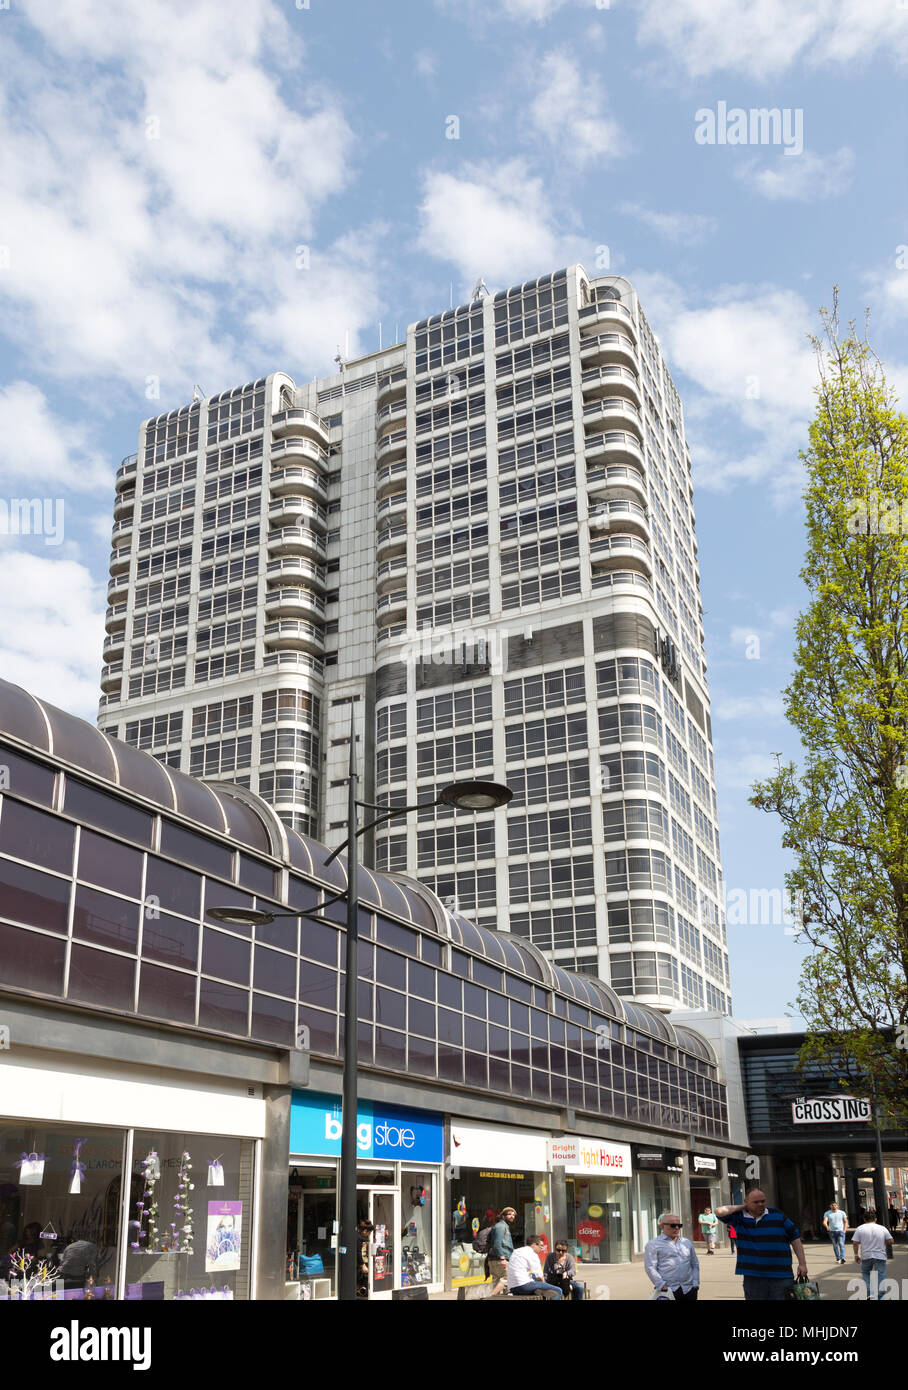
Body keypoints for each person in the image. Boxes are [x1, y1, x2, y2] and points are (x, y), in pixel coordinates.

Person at [716, 1190, 807, 1301]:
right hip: (753, 1277)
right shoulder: (739, 1217)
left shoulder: (777, 1215)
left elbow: (795, 1238)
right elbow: (719, 1211)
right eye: (756, 1202)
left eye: (763, 1201)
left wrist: (802, 1264)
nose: (761, 1204)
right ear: (746, 1202)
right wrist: (743, 1207)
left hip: (781, 1275)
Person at [644, 1213, 700, 1302]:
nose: (677, 1228)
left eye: (679, 1225)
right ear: (662, 1226)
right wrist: (662, 1285)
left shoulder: (686, 1242)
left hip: (689, 1289)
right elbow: (650, 1267)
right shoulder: (653, 1244)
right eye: (673, 1225)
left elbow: (694, 1263)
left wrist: (696, 1283)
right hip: (669, 1290)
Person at [852, 1210, 893, 1301]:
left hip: (866, 1256)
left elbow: (855, 1243)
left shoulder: (860, 1228)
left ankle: (870, 1294)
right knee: (880, 1275)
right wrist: (883, 1241)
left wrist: (856, 1255)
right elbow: (891, 1241)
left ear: (864, 1219)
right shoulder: (882, 1228)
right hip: (880, 1256)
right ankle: (880, 1296)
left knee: (866, 1274)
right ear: (875, 1219)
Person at [507, 1234, 562, 1299]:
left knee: (532, 1276)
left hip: (513, 1288)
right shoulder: (532, 1254)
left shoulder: (516, 1251)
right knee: (558, 1291)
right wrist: (545, 1285)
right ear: (533, 1245)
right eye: (541, 1245)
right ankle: (540, 1290)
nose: (542, 1248)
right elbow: (540, 1277)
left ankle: (538, 1290)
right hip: (524, 1286)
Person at [487, 1207, 516, 1296]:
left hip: (496, 1259)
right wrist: (502, 1258)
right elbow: (497, 1244)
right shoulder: (501, 1226)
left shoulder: (503, 1226)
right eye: (509, 1214)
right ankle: (491, 1296)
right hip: (499, 1259)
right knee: (506, 1279)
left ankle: (494, 1297)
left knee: (496, 1281)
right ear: (503, 1216)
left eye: (513, 1215)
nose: (512, 1216)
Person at [356, 1220, 374, 1299]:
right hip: (359, 1263)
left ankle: (362, 1290)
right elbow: (358, 1252)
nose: (369, 1235)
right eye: (369, 1233)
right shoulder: (359, 1238)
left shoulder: (360, 1237)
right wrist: (363, 1265)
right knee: (361, 1277)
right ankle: (361, 1291)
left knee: (363, 1278)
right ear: (365, 1231)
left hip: (363, 1261)